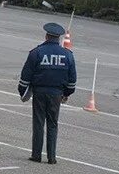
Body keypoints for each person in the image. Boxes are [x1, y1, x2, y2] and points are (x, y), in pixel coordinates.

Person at [17, 23, 77, 164]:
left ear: (46, 36)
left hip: (39, 92)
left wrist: (23, 92)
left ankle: (36, 155)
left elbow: (25, 76)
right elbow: (72, 80)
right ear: (59, 38)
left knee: (38, 123)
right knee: (53, 124)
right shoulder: (68, 55)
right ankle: (52, 157)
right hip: (56, 93)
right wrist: (66, 94)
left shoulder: (36, 53)